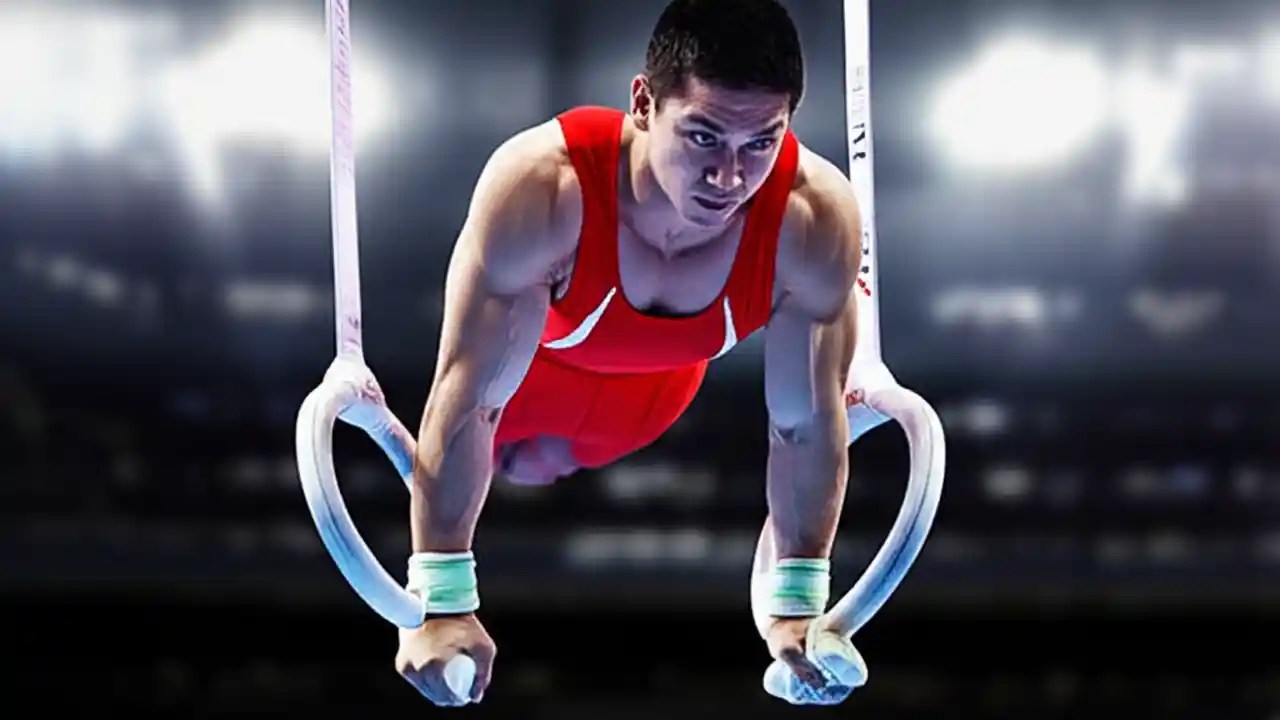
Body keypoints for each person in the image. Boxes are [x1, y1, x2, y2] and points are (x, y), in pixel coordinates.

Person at [396, 0, 864, 705]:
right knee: (500, 451)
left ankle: (540, 465)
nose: (731, 178)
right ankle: (519, 472)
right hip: (534, 377)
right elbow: (475, 401)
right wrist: (440, 597)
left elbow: (800, 427)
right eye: (704, 136)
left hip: (654, 400)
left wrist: (797, 603)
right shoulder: (544, 187)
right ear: (643, 103)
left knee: (538, 461)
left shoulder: (814, 217)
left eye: (760, 143)